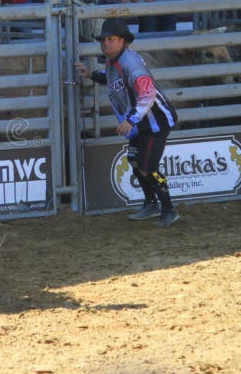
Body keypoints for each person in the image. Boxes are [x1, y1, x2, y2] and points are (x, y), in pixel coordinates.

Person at [75, 18, 180, 228]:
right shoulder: (115, 61)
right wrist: (91, 74)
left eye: (111, 39)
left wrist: (131, 120)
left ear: (122, 41)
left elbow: (147, 94)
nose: (106, 44)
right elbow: (111, 77)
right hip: (140, 121)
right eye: (103, 40)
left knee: (147, 167)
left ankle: (168, 209)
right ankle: (151, 204)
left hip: (154, 121)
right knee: (135, 163)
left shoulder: (130, 63)